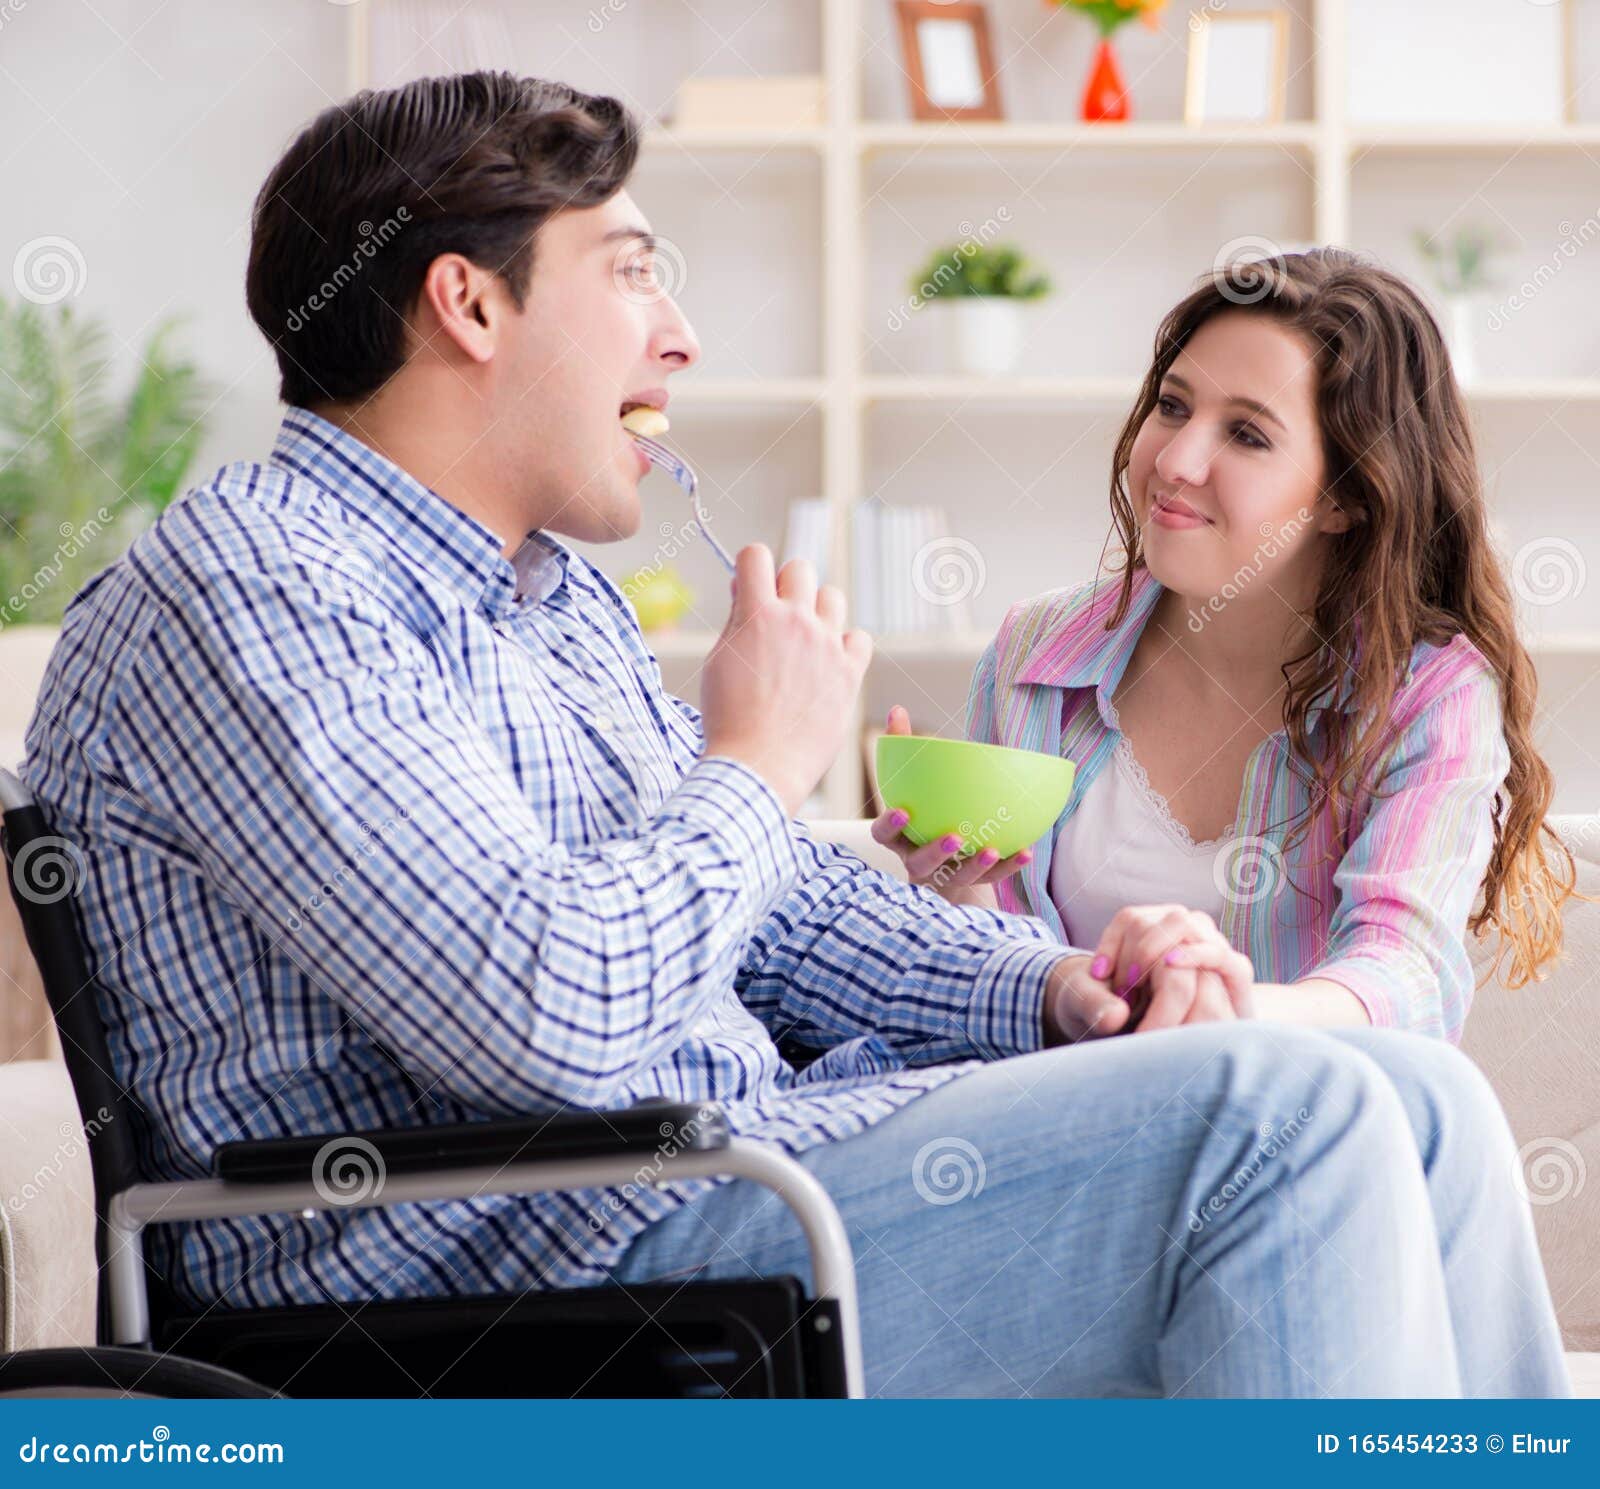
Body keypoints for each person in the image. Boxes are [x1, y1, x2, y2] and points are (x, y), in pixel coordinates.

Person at [22, 72, 1569, 1397]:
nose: (680, 335)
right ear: (468, 300)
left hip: (715, 1180)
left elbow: (792, 916)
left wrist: (1061, 991)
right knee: (1284, 1113)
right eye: (633, 274)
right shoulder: (261, 593)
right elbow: (550, 1013)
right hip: (520, 1270)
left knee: (1421, 1097)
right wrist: (756, 763)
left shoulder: (545, 601)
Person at [875, 248, 1578, 1045]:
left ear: (1348, 495)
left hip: (1291, 1135)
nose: (1174, 462)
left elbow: (1405, 975)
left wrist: (1225, 1004)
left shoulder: (1428, 696)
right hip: (1057, 1126)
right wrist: (955, 897)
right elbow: (990, 993)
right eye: (1172, 407)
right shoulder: (1037, 654)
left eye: (1245, 434)